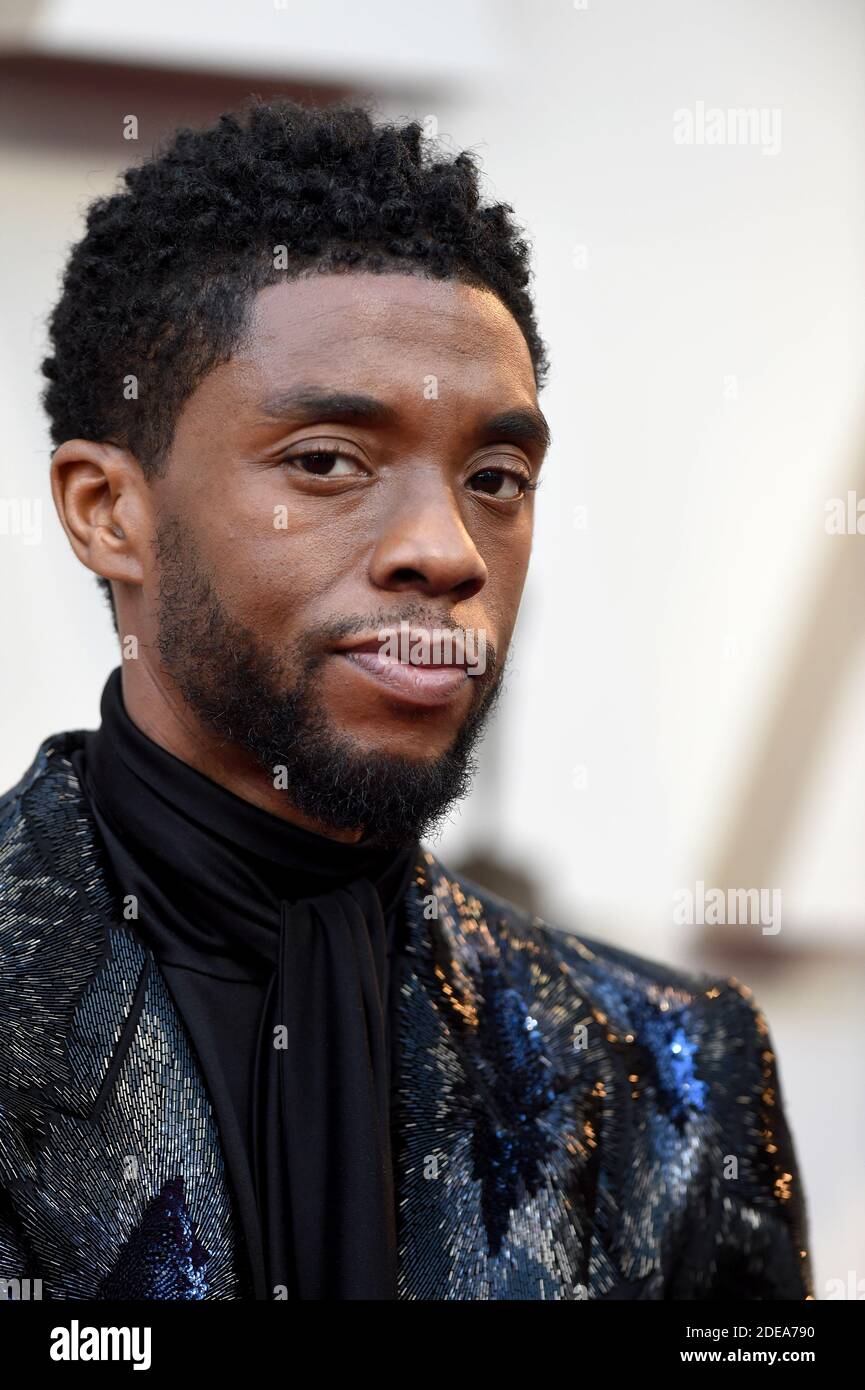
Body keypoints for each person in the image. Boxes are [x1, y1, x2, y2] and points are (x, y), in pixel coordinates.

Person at [0, 98, 812, 1301]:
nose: (447, 551)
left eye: (495, 477)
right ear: (107, 510)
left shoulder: (667, 1073)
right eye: (326, 459)